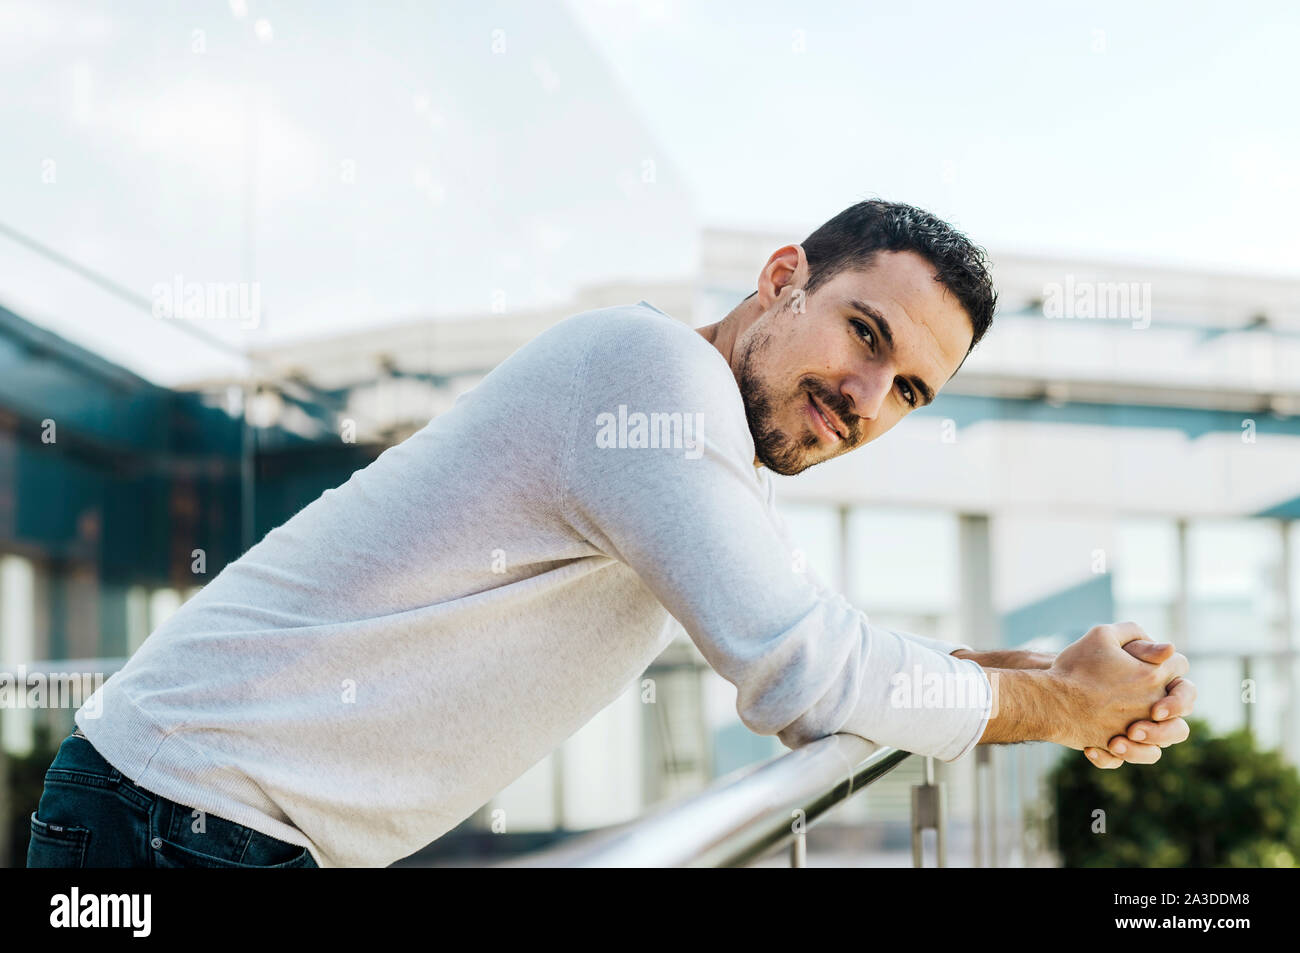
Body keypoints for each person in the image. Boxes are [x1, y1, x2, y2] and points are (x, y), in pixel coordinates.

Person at [29, 199, 1194, 868]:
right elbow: (802, 671)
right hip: (170, 821)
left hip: (208, 821)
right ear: (782, 277)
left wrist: (1043, 675)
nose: (868, 392)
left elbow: (813, 646)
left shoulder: (700, 438)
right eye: (863, 332)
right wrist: (1059, 710)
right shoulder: (651, 375)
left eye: (910, 391)